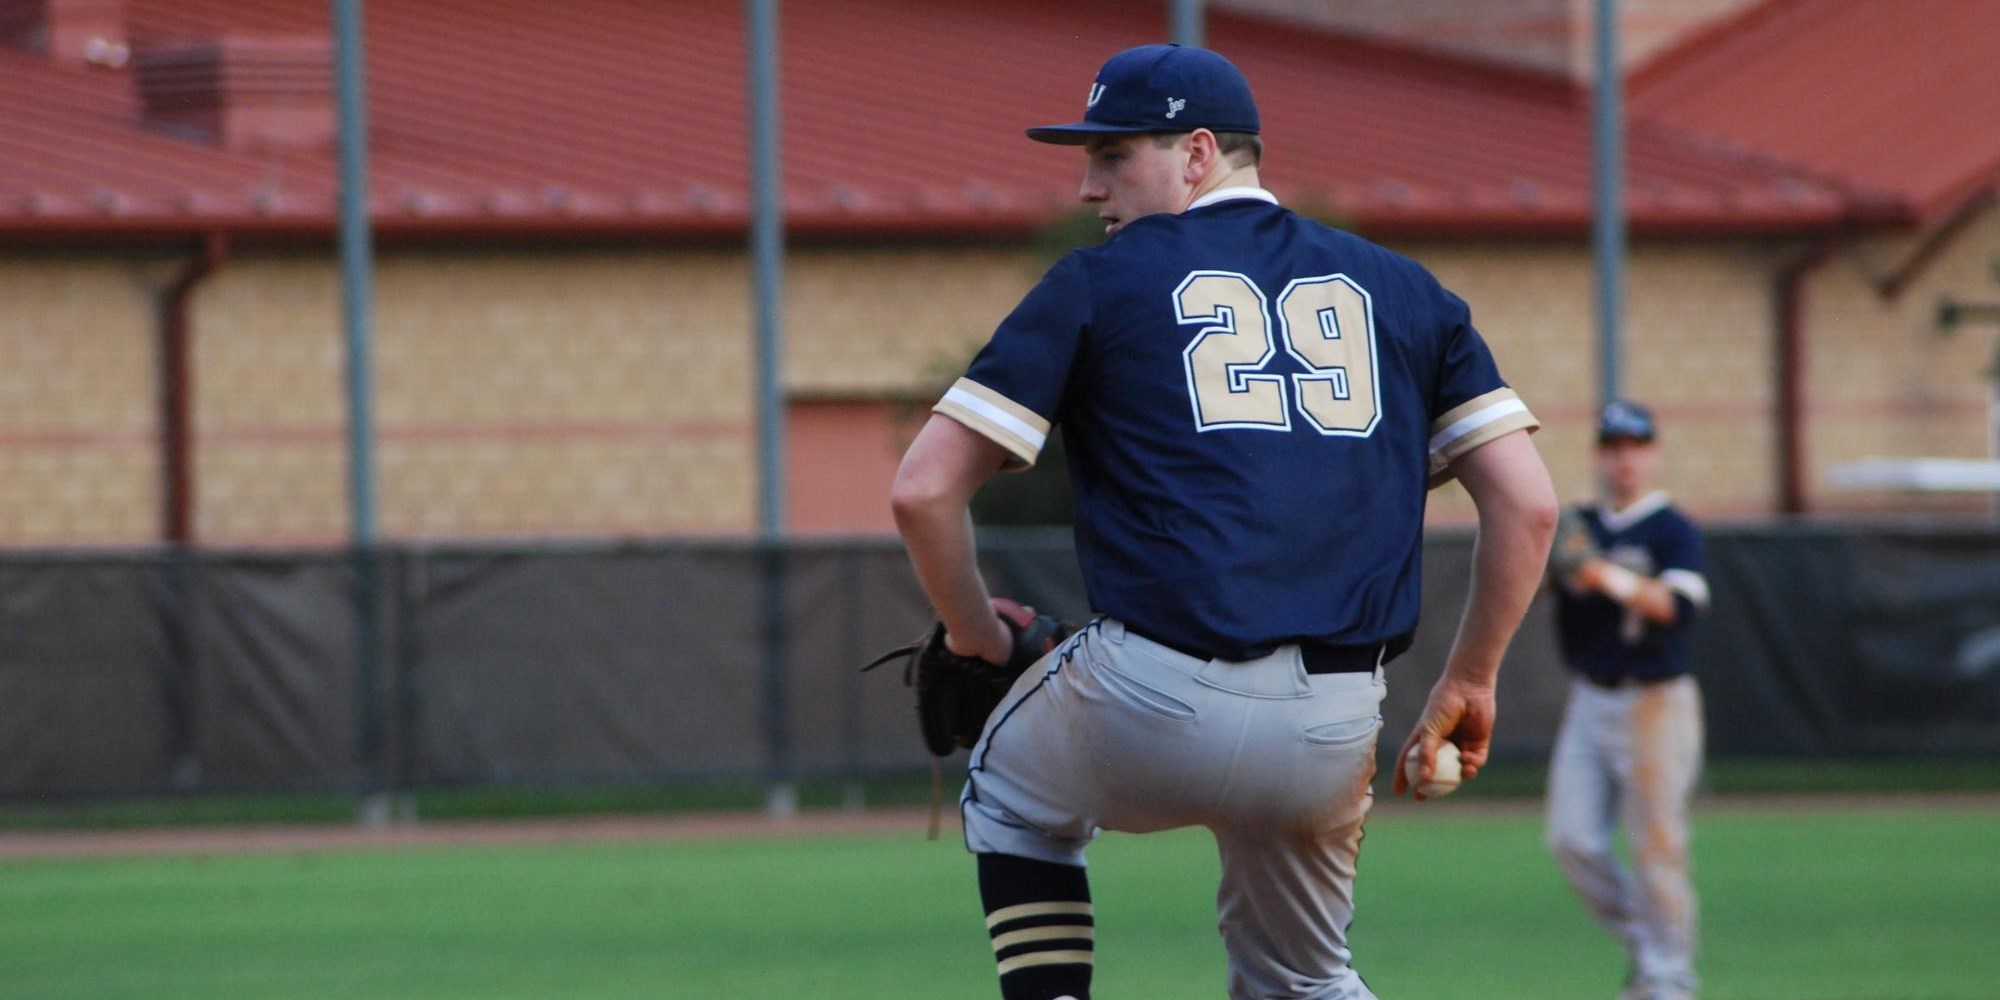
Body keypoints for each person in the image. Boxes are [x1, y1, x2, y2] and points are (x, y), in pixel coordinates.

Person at [889, 43, 1557, 1000]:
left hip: (1151, 690)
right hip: (1333, 721)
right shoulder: (1408, 291)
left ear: (1197, 153)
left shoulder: (1100, 281)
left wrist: (978, 637)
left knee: (1010, 798)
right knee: (1305, 979)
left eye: (1114, 155)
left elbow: (923, 490)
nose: (1088, 186)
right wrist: (1472, 676)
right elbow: (1529, 505)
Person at [1545, 401, 1710, 1000]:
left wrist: (1599, 574)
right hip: (1590, 700)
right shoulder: (1579, 524)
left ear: (1653, 453)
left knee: (1658, 847)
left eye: (1635, 445)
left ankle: (1667, 981)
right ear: (1599, 455)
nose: (1624, 458)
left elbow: (1678, 609)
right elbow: (1537, 576)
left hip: (1656, 702)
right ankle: (1650, 945)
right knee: (1572, 840)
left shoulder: (1671, 528)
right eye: (1613, 446)